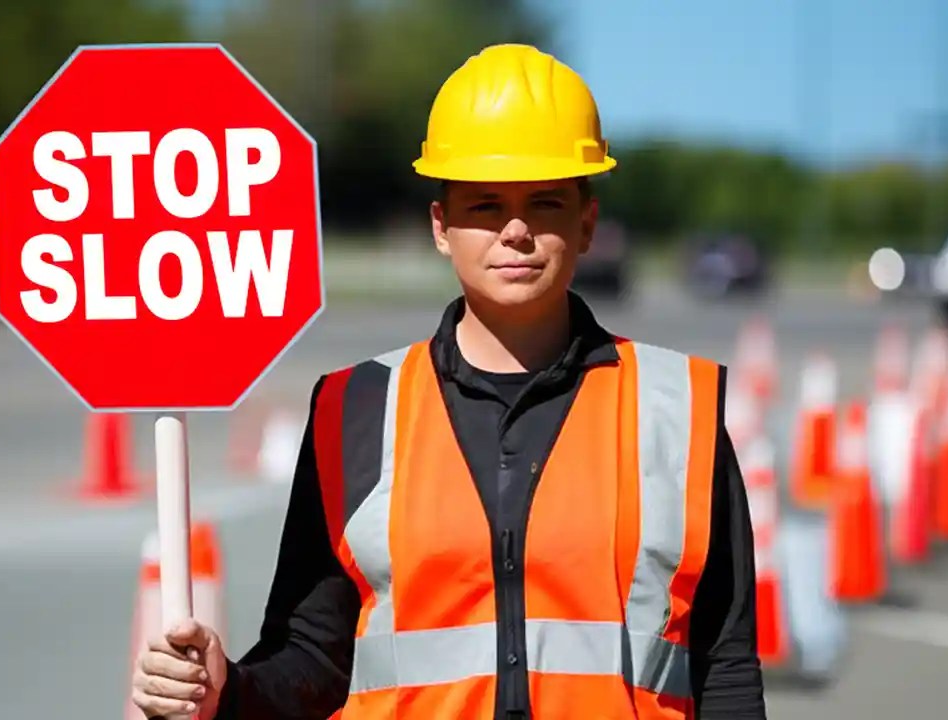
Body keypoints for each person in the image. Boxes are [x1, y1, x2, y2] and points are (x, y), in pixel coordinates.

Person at [132, 43, 767, 720]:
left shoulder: (677, 408)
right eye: (486, 206)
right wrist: (225, 690)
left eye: (546, 203)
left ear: (587, 223)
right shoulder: (355, 409)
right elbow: (313, 658)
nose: (516, 231)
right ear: (441, 226)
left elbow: (725, 665)